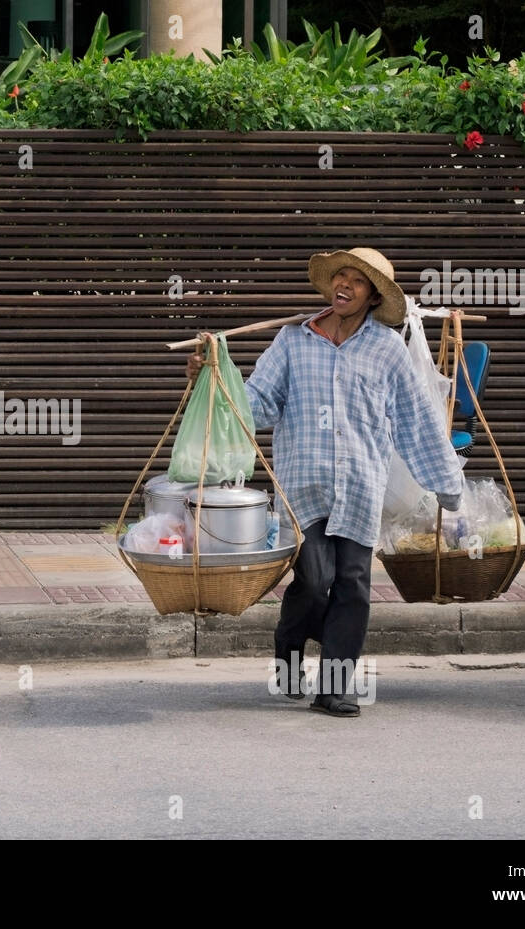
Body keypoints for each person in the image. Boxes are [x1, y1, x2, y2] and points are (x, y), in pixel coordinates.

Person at [186, 247, 464, 718]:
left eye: (358, 281)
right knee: (314, 582)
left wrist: (447, 484)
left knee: (353, 586)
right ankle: (289, 646)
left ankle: (335, 687)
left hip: (359, 488)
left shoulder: (387, 349)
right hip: (303, 488)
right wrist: (212, 383)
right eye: (342, 276)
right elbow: (258, 403)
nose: (346, 285)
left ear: (373, 295)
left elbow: (417, 421)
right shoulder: (294, 340)